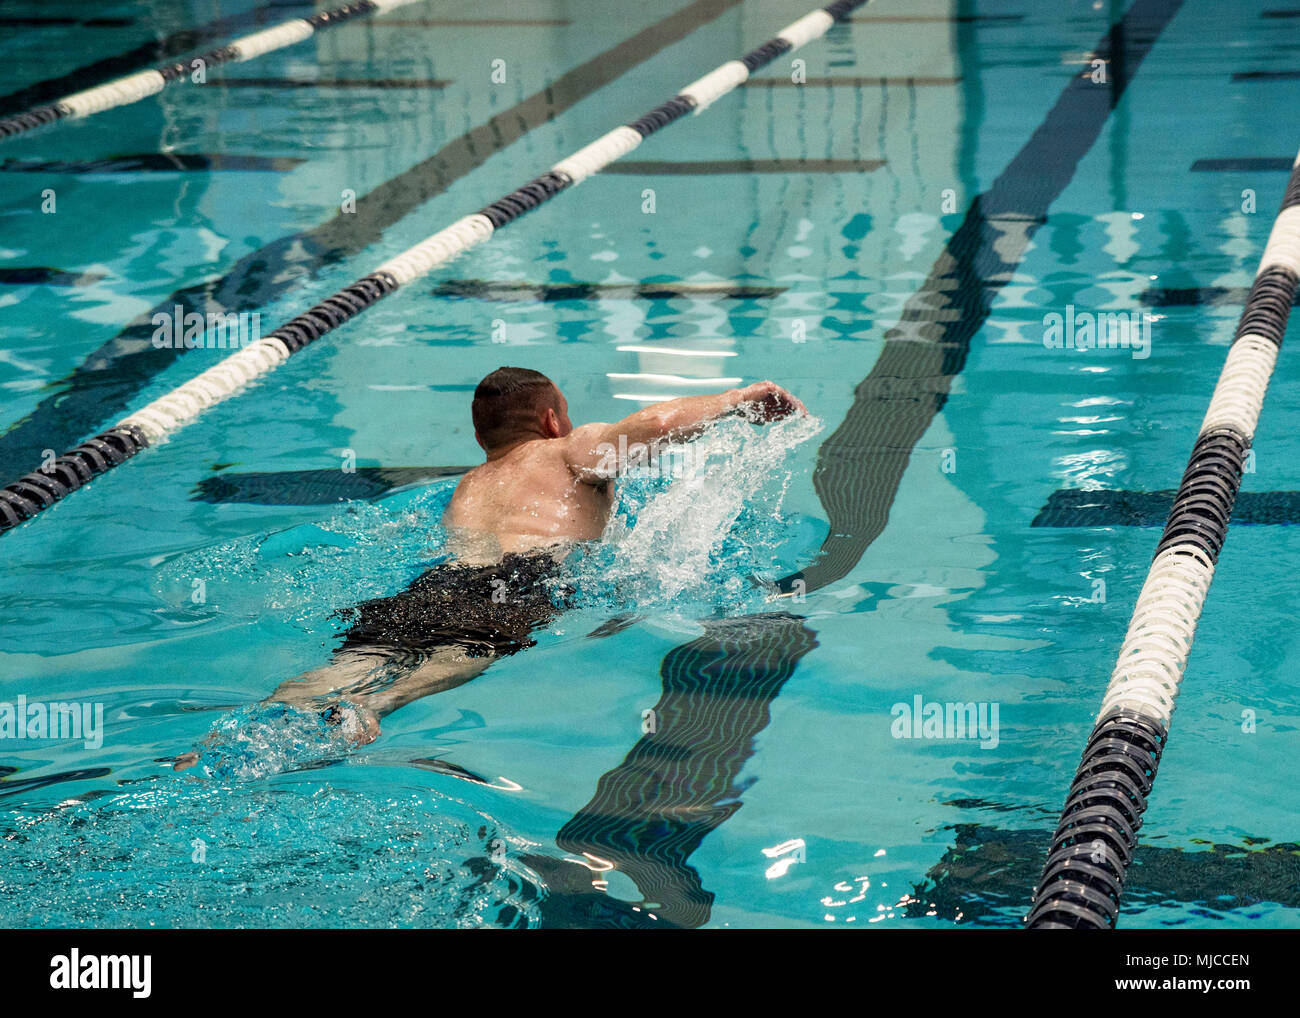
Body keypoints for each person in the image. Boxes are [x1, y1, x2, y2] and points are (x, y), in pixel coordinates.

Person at [175, 367, 805, 769]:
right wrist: (737, 399)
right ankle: (378, 707)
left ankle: (214, 745)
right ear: (554, 418)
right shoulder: (565, 450)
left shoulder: (470, 485)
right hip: (522, 579)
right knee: (465, 650)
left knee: (349, 663)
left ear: (484, 437)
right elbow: (655, 424)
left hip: (430, 586)